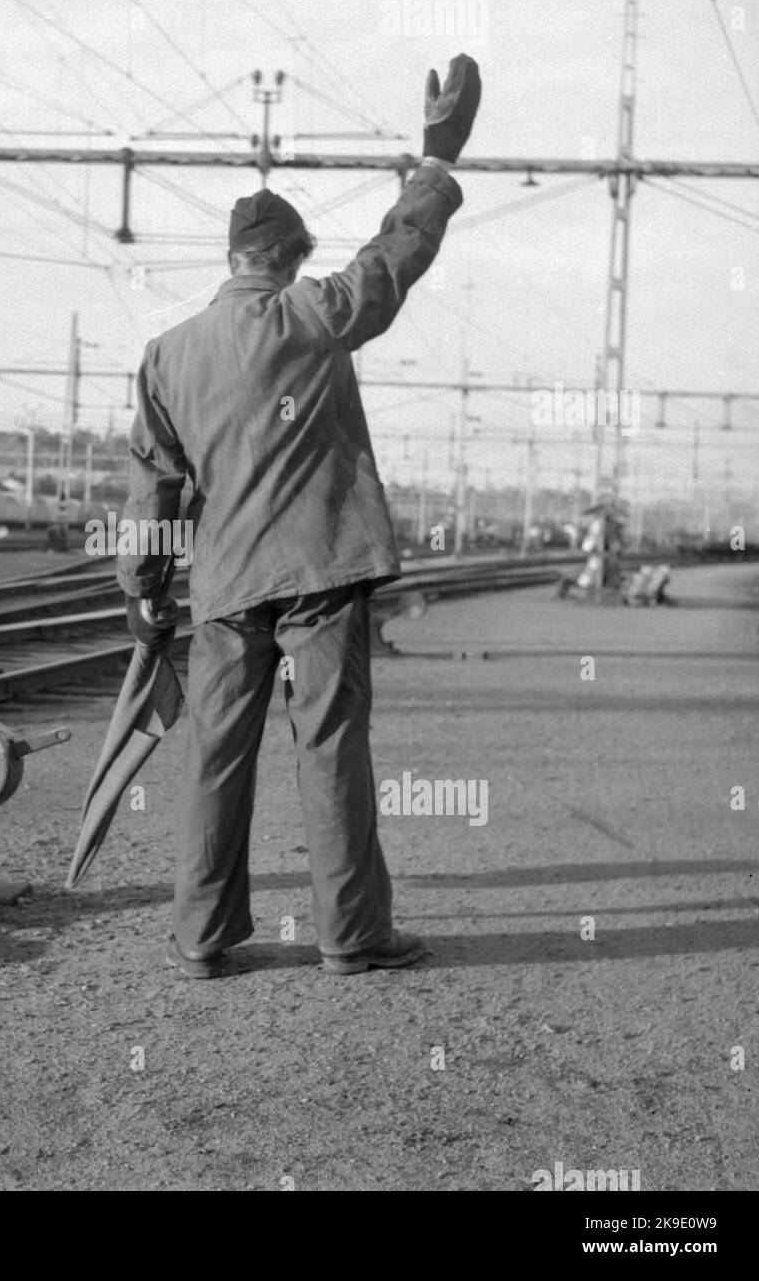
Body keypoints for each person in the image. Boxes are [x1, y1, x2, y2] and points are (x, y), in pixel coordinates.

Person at [117, 56, 481, 978]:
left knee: (213, 757)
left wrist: (144, 588)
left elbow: (153, 484)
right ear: (288, 260)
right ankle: (350, 937)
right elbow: (392, 261)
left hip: (227, 585)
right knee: (328, 748)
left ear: (234, 260)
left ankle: (201, 942)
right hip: (319, 574)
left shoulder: (166, 354)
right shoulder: (311, 315)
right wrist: (433, 164)